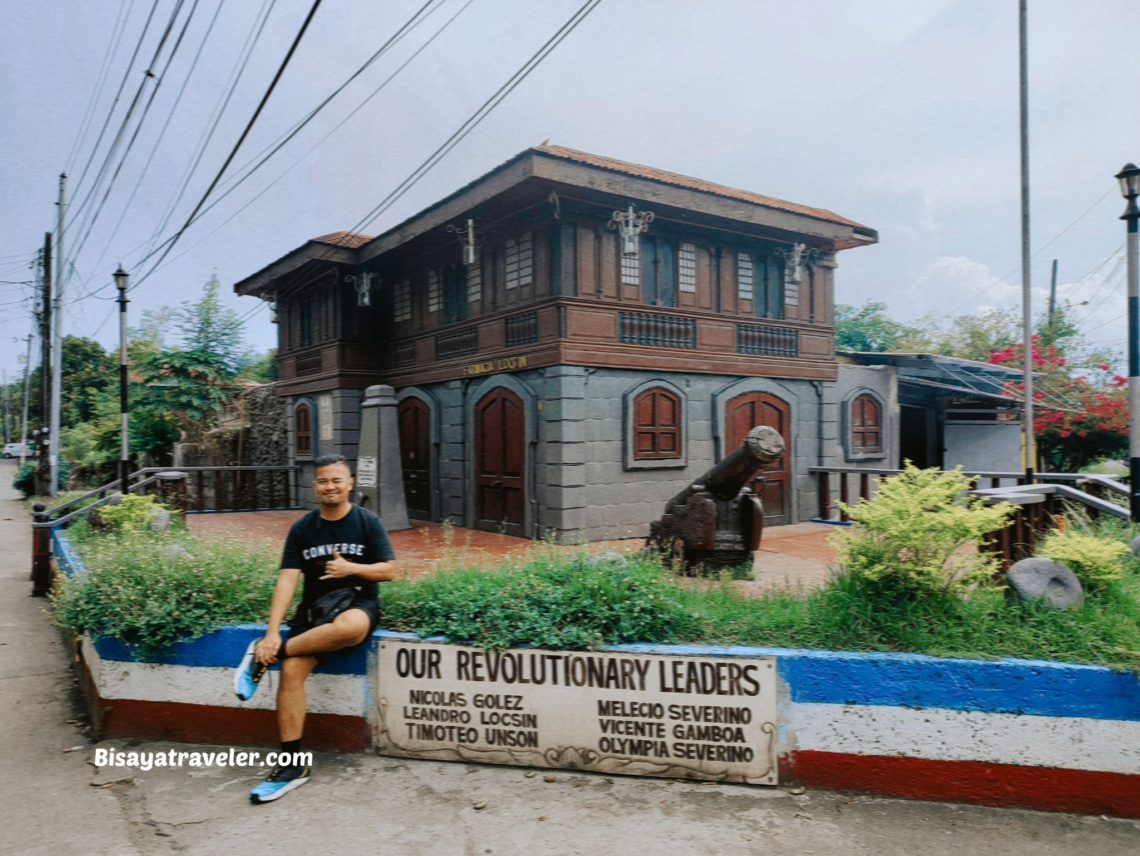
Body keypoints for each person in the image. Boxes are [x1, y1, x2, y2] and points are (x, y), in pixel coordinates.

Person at [233, 453, 398, 803]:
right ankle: (292, 765)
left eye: (337, 480)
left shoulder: (367, 522)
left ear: (350, 483)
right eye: (323, 481)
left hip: (357, 602)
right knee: (291, 671)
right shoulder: (303, 529)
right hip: (313, 612)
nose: (330, 486)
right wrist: (272, 632)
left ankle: (265, 657)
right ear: (315, 486)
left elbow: (390, 570)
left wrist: (352, 569)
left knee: (350, 627)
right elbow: (287, 580)